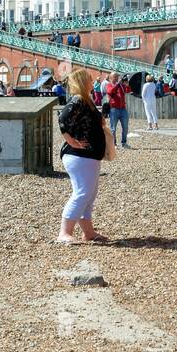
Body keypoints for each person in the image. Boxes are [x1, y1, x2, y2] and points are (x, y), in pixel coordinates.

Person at [56, 69, 109, 244]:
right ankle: (64, 232)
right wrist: (70, 140)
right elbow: (62, 119)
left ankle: (88, 232)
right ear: (82, 82)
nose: (93, 81)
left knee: (89, 194)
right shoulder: (78, 99)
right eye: (89, 79)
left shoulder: (86, 99)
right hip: (79, 155)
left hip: (89, 155)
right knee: (82, 192)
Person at [104, 72, 131, 148]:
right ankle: (114, 144)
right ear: (111, 78)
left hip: (123, 109)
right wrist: (117, 85)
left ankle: (124, 143)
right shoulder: (109, 85)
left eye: (117, 77)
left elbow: (128, 91)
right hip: (114, 109)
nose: (116, 78)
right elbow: (110, 91)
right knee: (113, 128)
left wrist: (127, 84)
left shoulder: (121, 86)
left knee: (125, 127)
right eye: (115, 77)